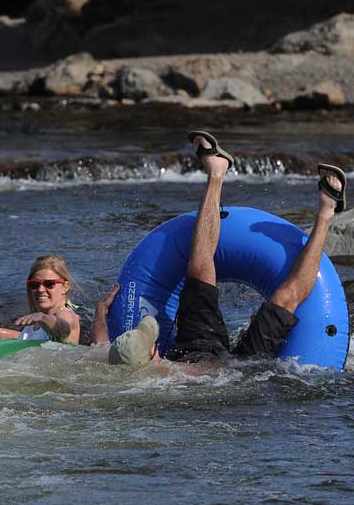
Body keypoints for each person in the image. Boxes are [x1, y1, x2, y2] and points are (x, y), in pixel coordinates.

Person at [96, 130, 347, 369]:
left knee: (198, 266)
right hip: (245, 370)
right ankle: (326, 212)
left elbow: (99, 347)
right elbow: (211, 379)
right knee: (286, 297)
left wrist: (100, 315)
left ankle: (217, 172)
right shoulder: (169, 380)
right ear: (153, 354)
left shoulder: (123, 365)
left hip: (193, 347)